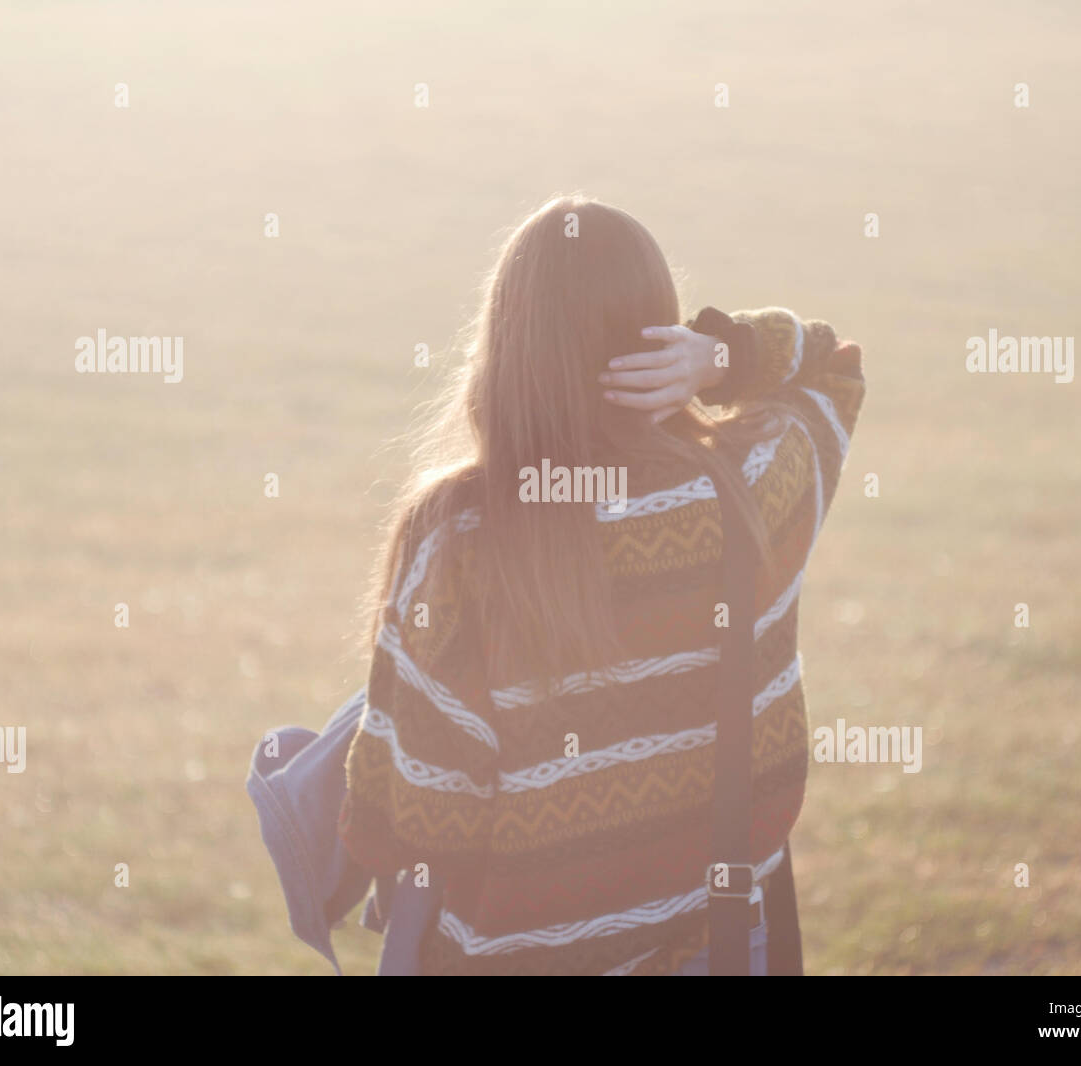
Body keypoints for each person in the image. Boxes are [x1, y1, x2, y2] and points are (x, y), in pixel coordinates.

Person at [338, 195, 865, 975]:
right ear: (660, 334)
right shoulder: (752, 487)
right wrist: (720, 357)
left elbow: (427, 808)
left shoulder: (456, 539)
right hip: (717, 947)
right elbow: (834, 367)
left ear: (506, 345)